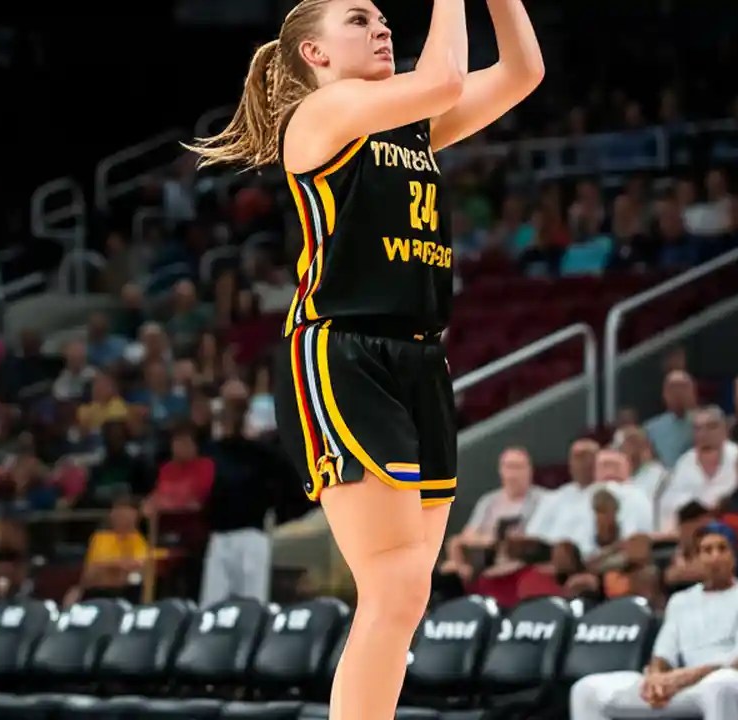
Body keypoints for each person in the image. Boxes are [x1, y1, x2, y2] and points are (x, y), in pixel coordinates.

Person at [186, 0, 543, 716]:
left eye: (383, 17)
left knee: (406, 597)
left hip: (419, 358)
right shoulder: (323, 116)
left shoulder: (405, 119)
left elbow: (523, 72)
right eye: (359, 20)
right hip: (342, 351)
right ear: (315, 55)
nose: (382, 27)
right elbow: (443, 77)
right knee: (392, 589)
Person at [570, 523, 738, 720]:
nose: (715, 557)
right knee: (586, 690)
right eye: (707, 550)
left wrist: (685, 676)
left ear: (734, 556)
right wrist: (657, 678)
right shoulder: (681, 601)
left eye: (722, 549)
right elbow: (663, 654)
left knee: (721, 685)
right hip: (686, 688)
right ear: (696, 558)